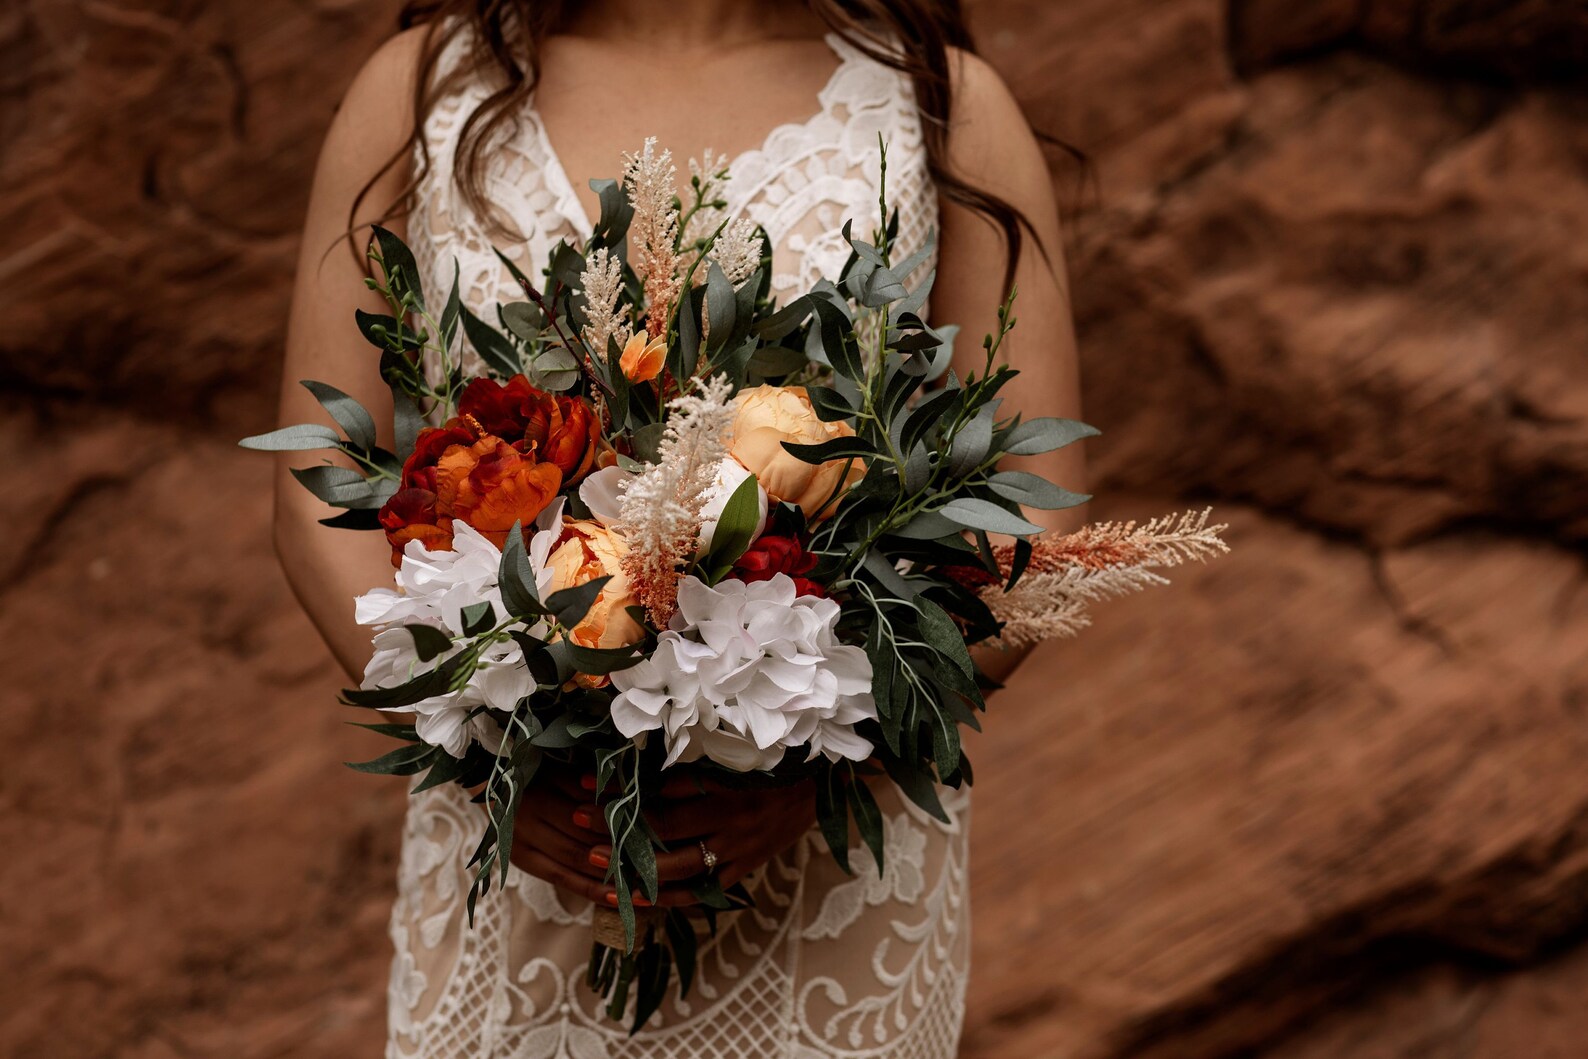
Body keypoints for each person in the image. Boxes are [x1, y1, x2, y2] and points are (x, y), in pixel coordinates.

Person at [273, 1, 1084, 1054]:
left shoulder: (939, 105)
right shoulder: (424, 87)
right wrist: (486, 753)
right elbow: (313, 484)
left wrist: (836, 762)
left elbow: (1036, 512)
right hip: (526, 851)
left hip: (826, 883)